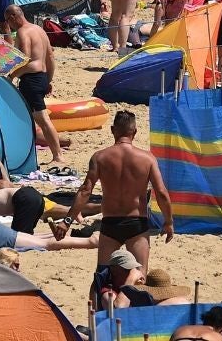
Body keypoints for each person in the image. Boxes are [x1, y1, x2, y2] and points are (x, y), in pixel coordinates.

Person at [64, 110, 175, 275]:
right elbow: (161, 192)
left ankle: (100, 301)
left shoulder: (99, 157)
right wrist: (168, 221)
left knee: (102, 277)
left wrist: (67, 221)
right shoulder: (147, 158)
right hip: (137, 223)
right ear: (135, 132)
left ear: (112, 130)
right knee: (139, 278)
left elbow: (86, 190)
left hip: (110, 223)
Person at [5, 5, 63, 165]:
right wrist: (48, 80)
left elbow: (25, 60)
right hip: (42, 77)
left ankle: (58, 155)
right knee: (31, 117)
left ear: (12, 18)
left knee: (42, 119)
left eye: (7, 21)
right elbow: (50, 57)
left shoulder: (23, 32)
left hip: (31, 80)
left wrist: (11, 76)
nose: (8, 26)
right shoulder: (39, 30)